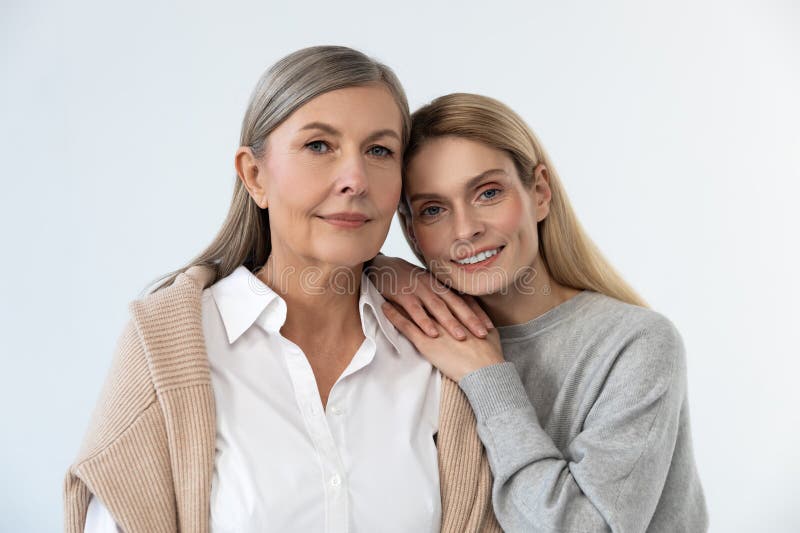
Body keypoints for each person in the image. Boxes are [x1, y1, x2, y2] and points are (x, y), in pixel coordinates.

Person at [64, 49, 500, 533]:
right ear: (255, 176)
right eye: (319, 146)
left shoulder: (443, 354)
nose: (355, 180)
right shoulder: (170, 351)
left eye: (379, 151)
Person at [372, 93, 709, 532]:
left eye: (488, 193)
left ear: (540, 192)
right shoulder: (409, 333)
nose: (465, 229)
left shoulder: (636, 344)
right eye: (433, 210)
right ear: (413, 234)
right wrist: (370, 265)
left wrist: (487, 376)